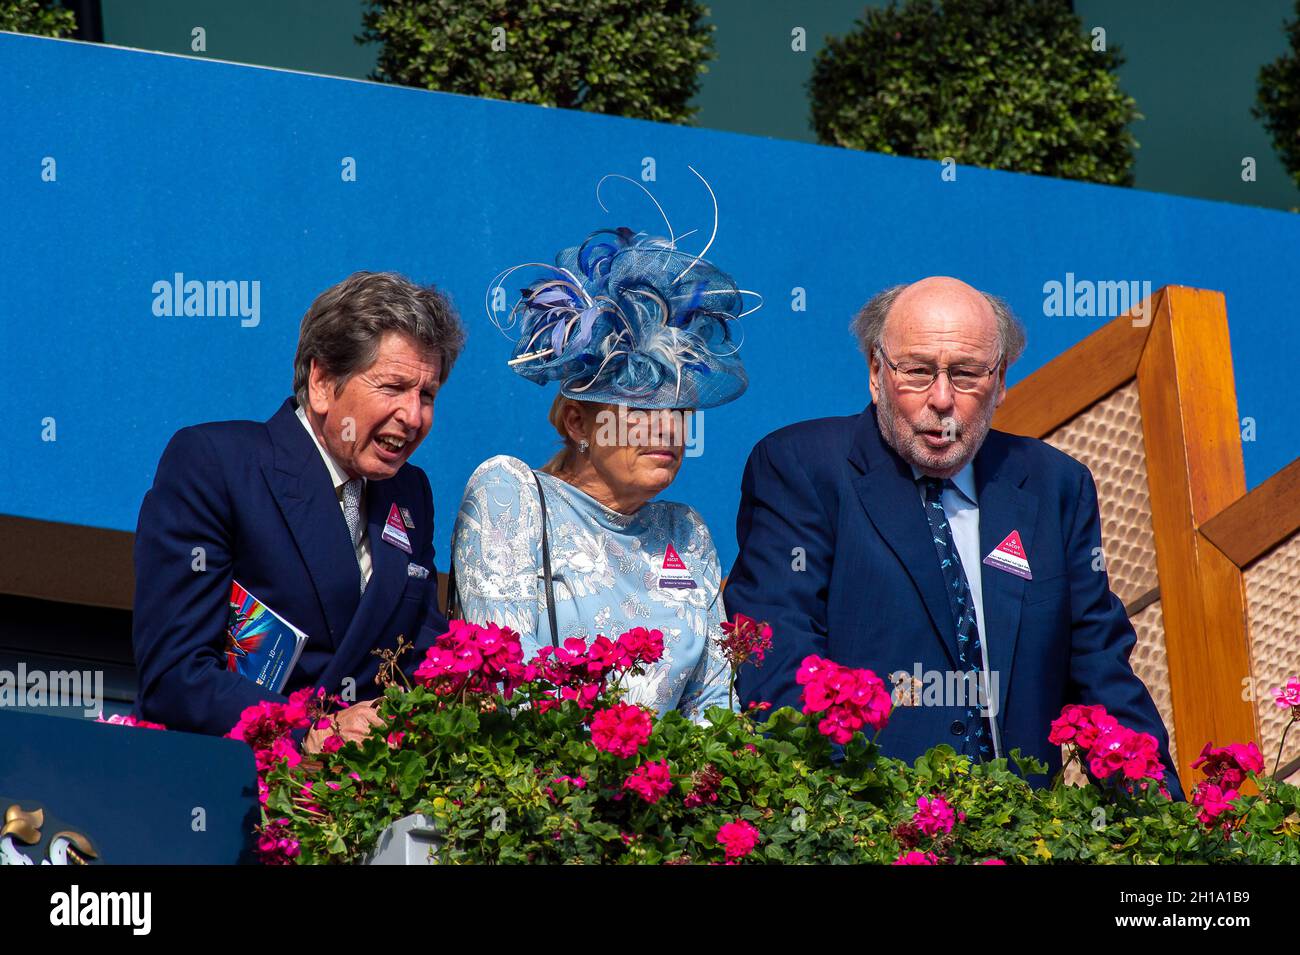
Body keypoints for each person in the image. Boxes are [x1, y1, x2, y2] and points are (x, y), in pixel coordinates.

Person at [727, 276, 1183, 797]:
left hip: (1021, 834)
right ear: (876, 373)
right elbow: (778, 662)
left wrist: (1164, 826)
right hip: (866, 828)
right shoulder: (803, 467)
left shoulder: (1054, 485)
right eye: (918, 372)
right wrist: (868, 818)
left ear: (1002, 381)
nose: (941, 399)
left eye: (966, 375)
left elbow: (1103, 676)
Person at [132, 271, 465, 748]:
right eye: (393, 387)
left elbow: (418, 656)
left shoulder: (411, 493)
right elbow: (175, 677)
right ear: (323, 382)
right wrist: (313, 735)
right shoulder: (216, 463)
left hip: (366, 803)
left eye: (426, 395)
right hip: (233, 792)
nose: (414, 417)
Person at [450, 222, 751, 720]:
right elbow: (508, 695)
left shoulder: (687, 533)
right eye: (641, 410)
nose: (667, 431)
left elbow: (716, 709)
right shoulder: (510, 494)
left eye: (679, 414)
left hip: (667, 791)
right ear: (577, 421)